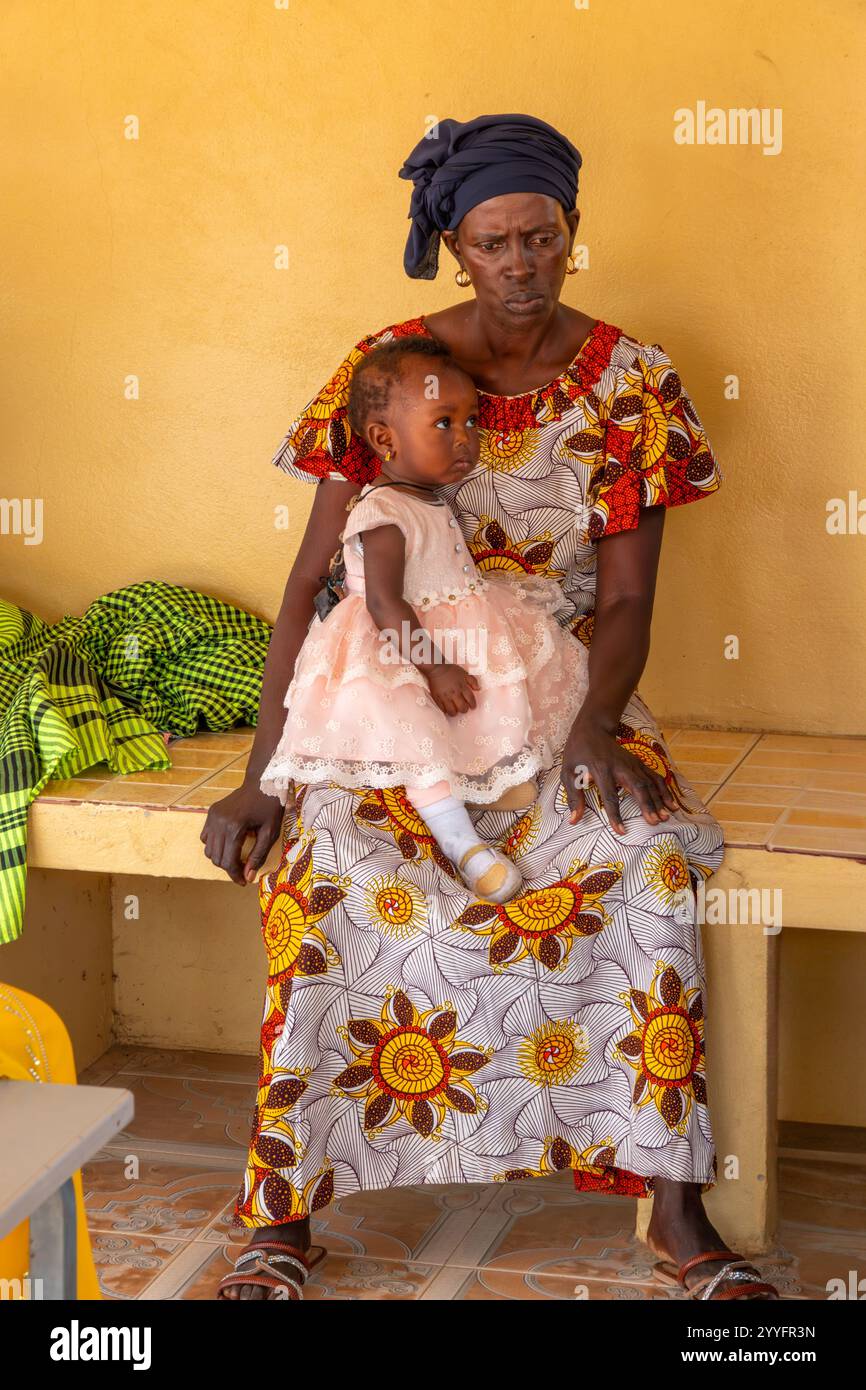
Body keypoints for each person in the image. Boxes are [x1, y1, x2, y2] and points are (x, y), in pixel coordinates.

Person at [204, 113, 780, 1301]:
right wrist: (263, 770)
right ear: (450, 247)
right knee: (321, 872)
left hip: (559, 694)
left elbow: (624, 601)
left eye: (543, 236)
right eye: (492, 241)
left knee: (644, 860)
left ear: (573, 234)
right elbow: (316, 583)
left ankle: (677, 1210)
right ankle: (284, 1213)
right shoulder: (390, 370)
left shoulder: (631, 382)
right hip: (390, 706)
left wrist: (588, 730)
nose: (521, 262)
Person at [257, 335, 591, 904]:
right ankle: (462, 845)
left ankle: (496, 784)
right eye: (444, 423)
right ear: (385, 439)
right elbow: (385, 603)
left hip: (442, 629)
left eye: (471, 421)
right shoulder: (382, 511)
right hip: (396, 648)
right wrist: (434, 668)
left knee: (477, 704)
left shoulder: (429, 498)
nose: (465, 438)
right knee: (417, 738)